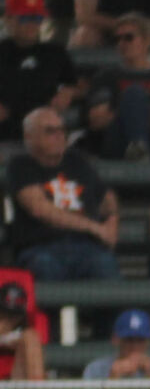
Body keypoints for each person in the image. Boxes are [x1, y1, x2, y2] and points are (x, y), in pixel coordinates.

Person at [5, 106, 121, 282]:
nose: (59, 136)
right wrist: (95, 228)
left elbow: (107, 199)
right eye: (50, 131)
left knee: (104, 263)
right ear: (29, 137)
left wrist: (112, 221)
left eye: (62, 130)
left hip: (87, 246)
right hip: (41, 247)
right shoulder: (20, 166)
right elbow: (40, 209)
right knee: (45, 265)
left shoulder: (78, 161)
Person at [81, 11, 150, 161]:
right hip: (122, 142)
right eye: (117, 39)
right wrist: (135, 112)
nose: (122, 43)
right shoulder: (106, 77)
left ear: (147, 41)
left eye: (129, 37)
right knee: (134, 94)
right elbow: (97, 120)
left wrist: (143, 113)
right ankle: (138, 149)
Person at [0, 0, 81, 145]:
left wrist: (67, 93)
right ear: (8, 19)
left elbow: (74, 83)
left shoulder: (55, 52)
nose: (31, 24)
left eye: (37, 18)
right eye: (24, 18)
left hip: (46, 128)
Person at [0, 278, 47, 384]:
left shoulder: (23, 333)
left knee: (31, 338)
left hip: (12, 388)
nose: (9, 321)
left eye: (14, 316)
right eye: (3, 314)